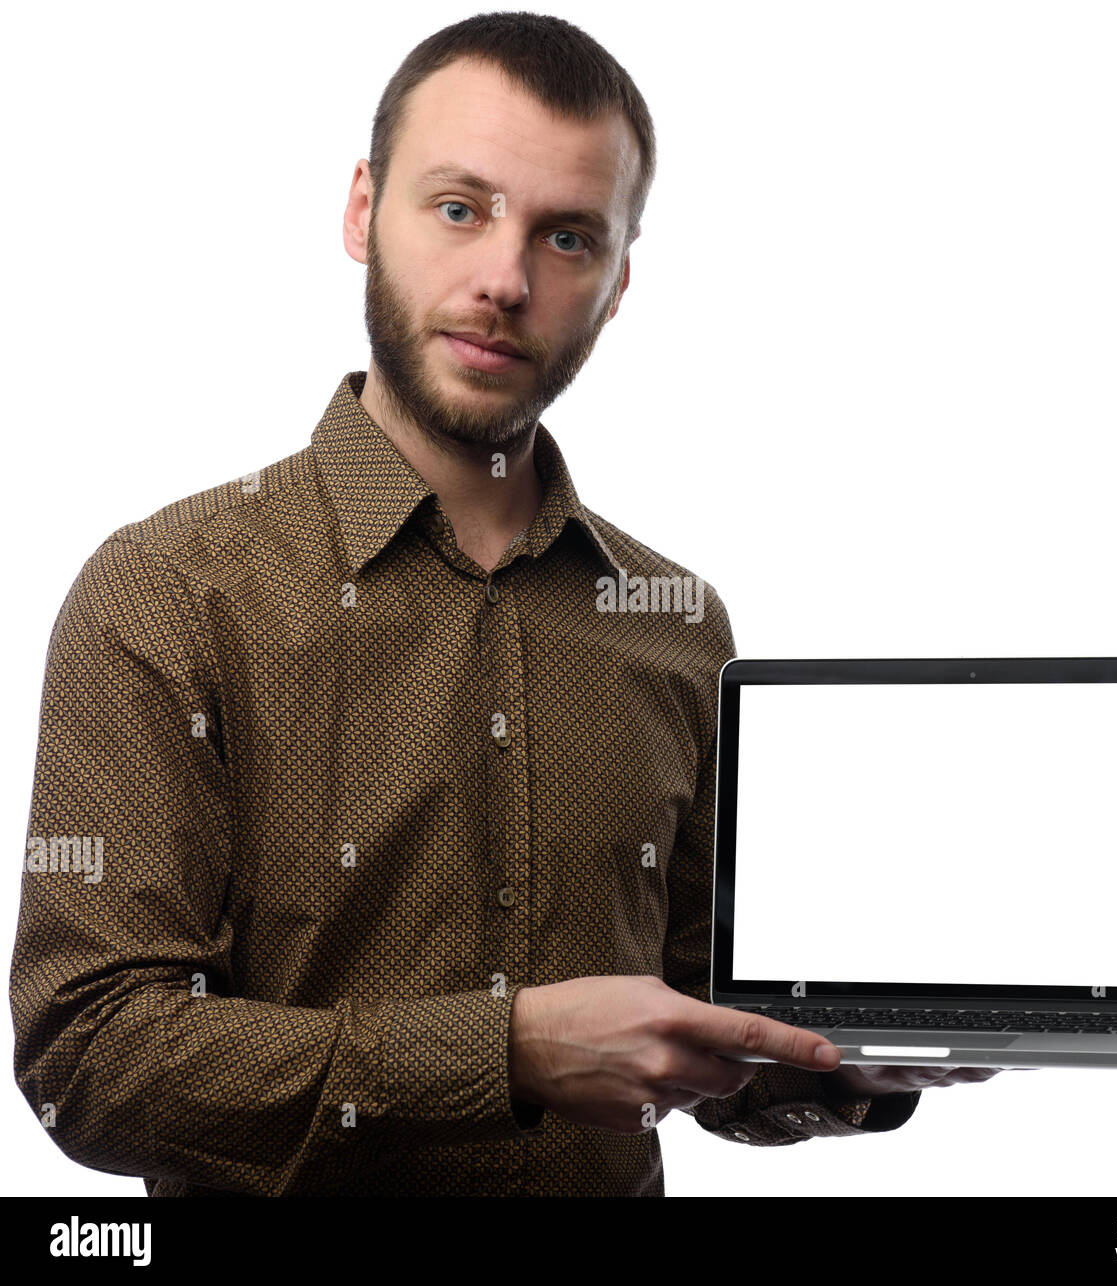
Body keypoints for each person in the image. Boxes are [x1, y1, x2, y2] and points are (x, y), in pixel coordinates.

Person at [10, 11, 997, 1198]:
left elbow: (700, 1029)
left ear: (618, 281)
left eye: (567, 235)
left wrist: (865, 1054)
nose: (504, 280)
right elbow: (92, 1054)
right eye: (460, 207)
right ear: (363, 209)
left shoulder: (675, 622)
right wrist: (508, 1052)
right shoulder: (166, 591)